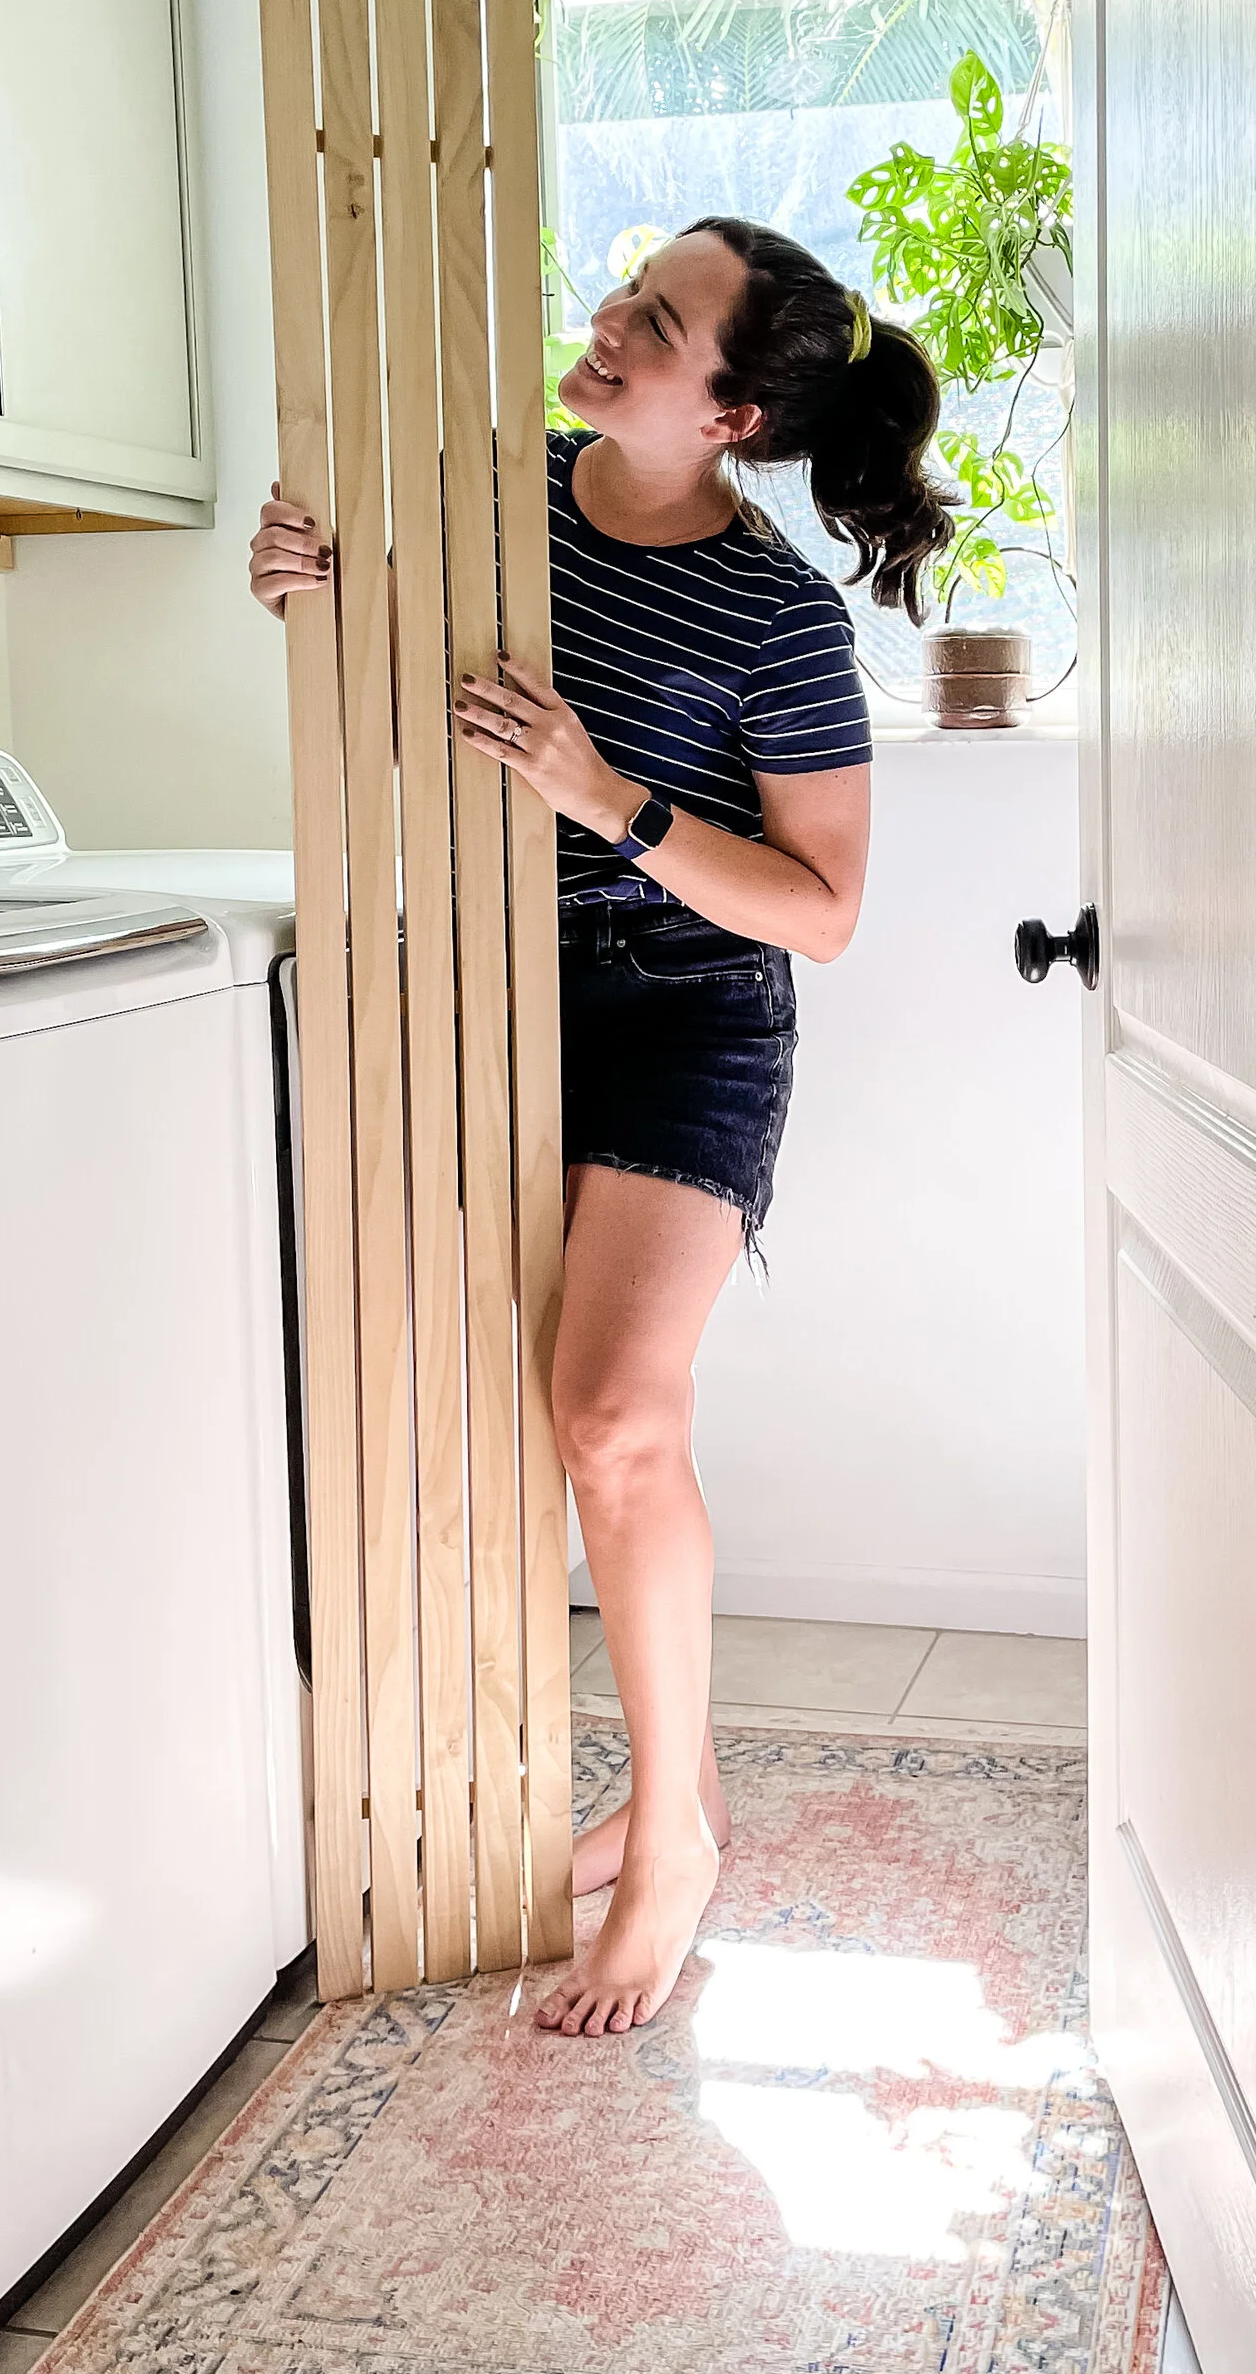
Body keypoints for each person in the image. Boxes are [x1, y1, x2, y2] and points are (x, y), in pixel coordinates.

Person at [250, 218, 948, 2036]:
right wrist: (307, 580)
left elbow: (821, 906)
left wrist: (607, 794)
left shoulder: (775, 613)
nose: (606, 327)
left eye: (656, 322)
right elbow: (404, 675)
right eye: (626, 292)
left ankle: (674, 1853)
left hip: (684, 1011)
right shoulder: (488, 498)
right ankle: (665, 1794)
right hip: (483, 987)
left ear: (728, 415)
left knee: (615, 1417)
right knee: (498, 1421)